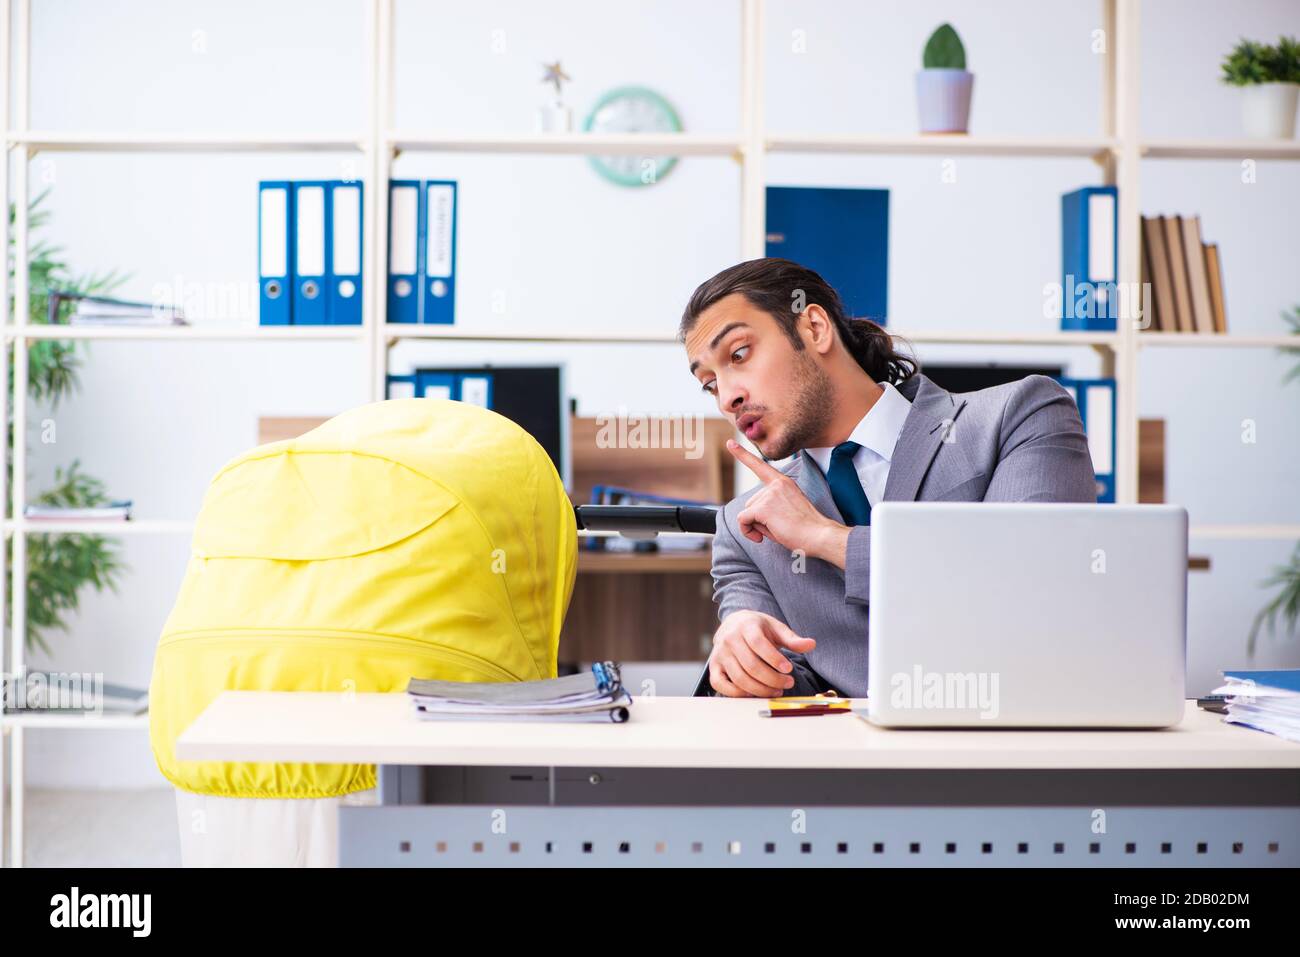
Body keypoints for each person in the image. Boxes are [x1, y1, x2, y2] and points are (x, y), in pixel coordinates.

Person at [680, 258, 1096, 698]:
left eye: (739, 355)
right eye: (710, 384)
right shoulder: (744, 531)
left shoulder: (1018, 417)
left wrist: (825, 538)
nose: (727, 398)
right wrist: (747, 660)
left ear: (815, 328)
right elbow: (790, 692)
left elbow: (1032, 591)